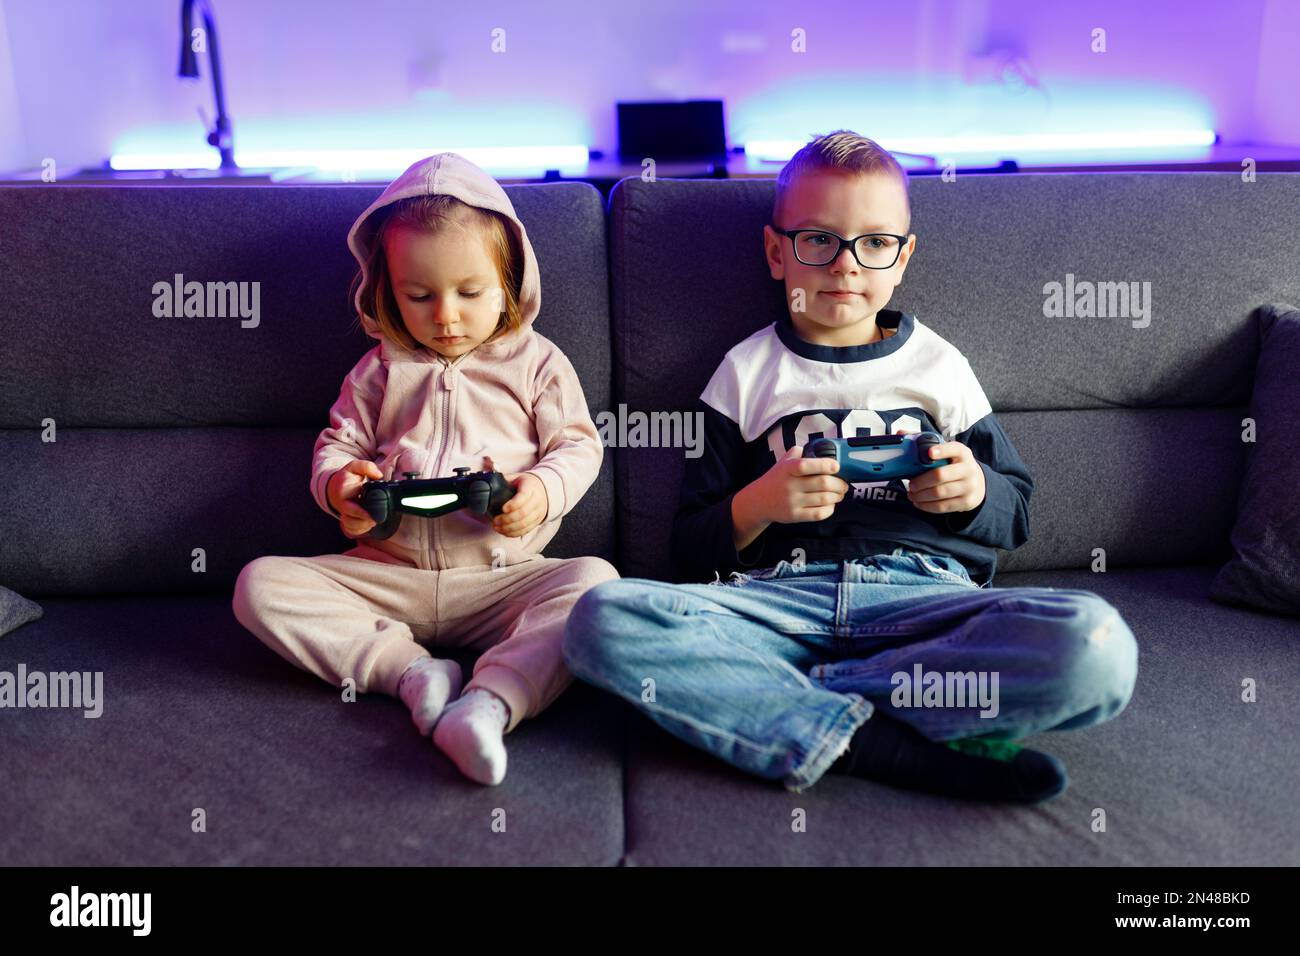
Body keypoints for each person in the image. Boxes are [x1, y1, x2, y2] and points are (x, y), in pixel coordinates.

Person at [563, 130, 1137, 802]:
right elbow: (689, 548)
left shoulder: (940, 367)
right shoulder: (745, 374)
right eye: (818, 241)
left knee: (1096, 646)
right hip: (777, 606)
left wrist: (972, 490)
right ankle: (892, 745)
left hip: (925, 604)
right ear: (778, 253)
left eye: (874, 243)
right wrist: (759, 505)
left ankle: (794, 706)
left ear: (902, 258)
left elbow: (1017, 515)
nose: (845, 266)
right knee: (599, 618)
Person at [233, 152, 617, 786]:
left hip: (502, 578)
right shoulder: (377, 370)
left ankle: (490, 705)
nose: (445, 315)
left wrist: (539, 494)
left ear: (509, 283)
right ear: (388, 290)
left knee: (595, 584)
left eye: (471, 293)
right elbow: (337, 443)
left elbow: (579, 446)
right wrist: (340, 487)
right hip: (387, 578)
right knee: (259, 585)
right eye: (420, 295)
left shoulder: (538, 363)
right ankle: (411, 673)